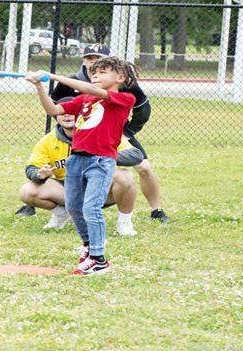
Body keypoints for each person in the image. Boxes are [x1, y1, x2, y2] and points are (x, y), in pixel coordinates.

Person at [28, 56, 138, 275]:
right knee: (74, 207)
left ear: (120, 78)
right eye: (94, 72)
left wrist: (53, 76)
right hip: (76, 159)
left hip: (100, 160)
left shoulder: (124, 99)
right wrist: (40, 85)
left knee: (91, 208)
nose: (96, 75)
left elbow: (92, 89)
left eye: (103, 72)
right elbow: (53, 110)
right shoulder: (84, 101)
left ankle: (99, 259)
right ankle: (89, 248)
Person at [47, 43, 168, 223]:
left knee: (143, 166)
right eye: (89, 58)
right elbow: (55, 108)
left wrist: (127, 132)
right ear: (84, 61)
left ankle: (156, 209)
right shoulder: (69, 82)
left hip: (115, 131)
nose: (92, 62)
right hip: (80, 133)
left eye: (98, 59)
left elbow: (143, 109)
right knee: (58, 163)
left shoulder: (123, 83)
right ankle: (55, 205)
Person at [19, 117, 140, 235]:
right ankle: (62, 213)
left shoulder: (102, 132)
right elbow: (32, 168)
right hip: (69, 191)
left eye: (72, 112)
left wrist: (104, 156)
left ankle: (124, 222)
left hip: (101, 190)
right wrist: (40, 175)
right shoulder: (49, 140)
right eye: (62, 112)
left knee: (125, 176)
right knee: (27, 191)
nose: (66, 115)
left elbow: (135, 155)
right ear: (56, 116)